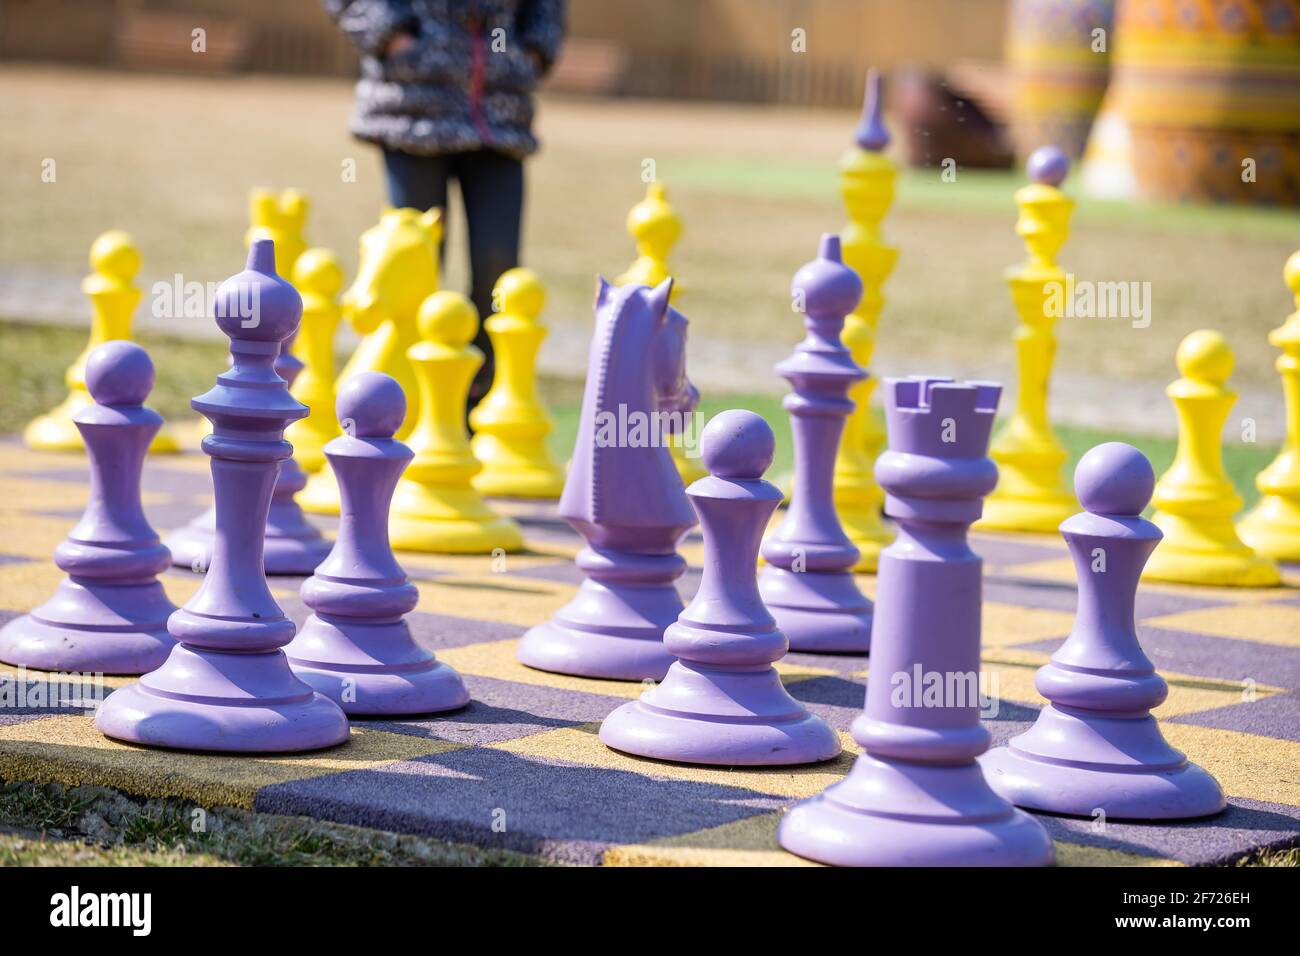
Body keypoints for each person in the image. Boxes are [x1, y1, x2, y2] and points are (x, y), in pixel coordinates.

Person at [325, 0, 567, 408]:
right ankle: (403, 401)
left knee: (499, 265)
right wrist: (390, 34)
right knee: (414, 266)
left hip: (500, 117)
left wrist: (534, 50)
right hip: (413, 110)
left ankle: (478, 399)